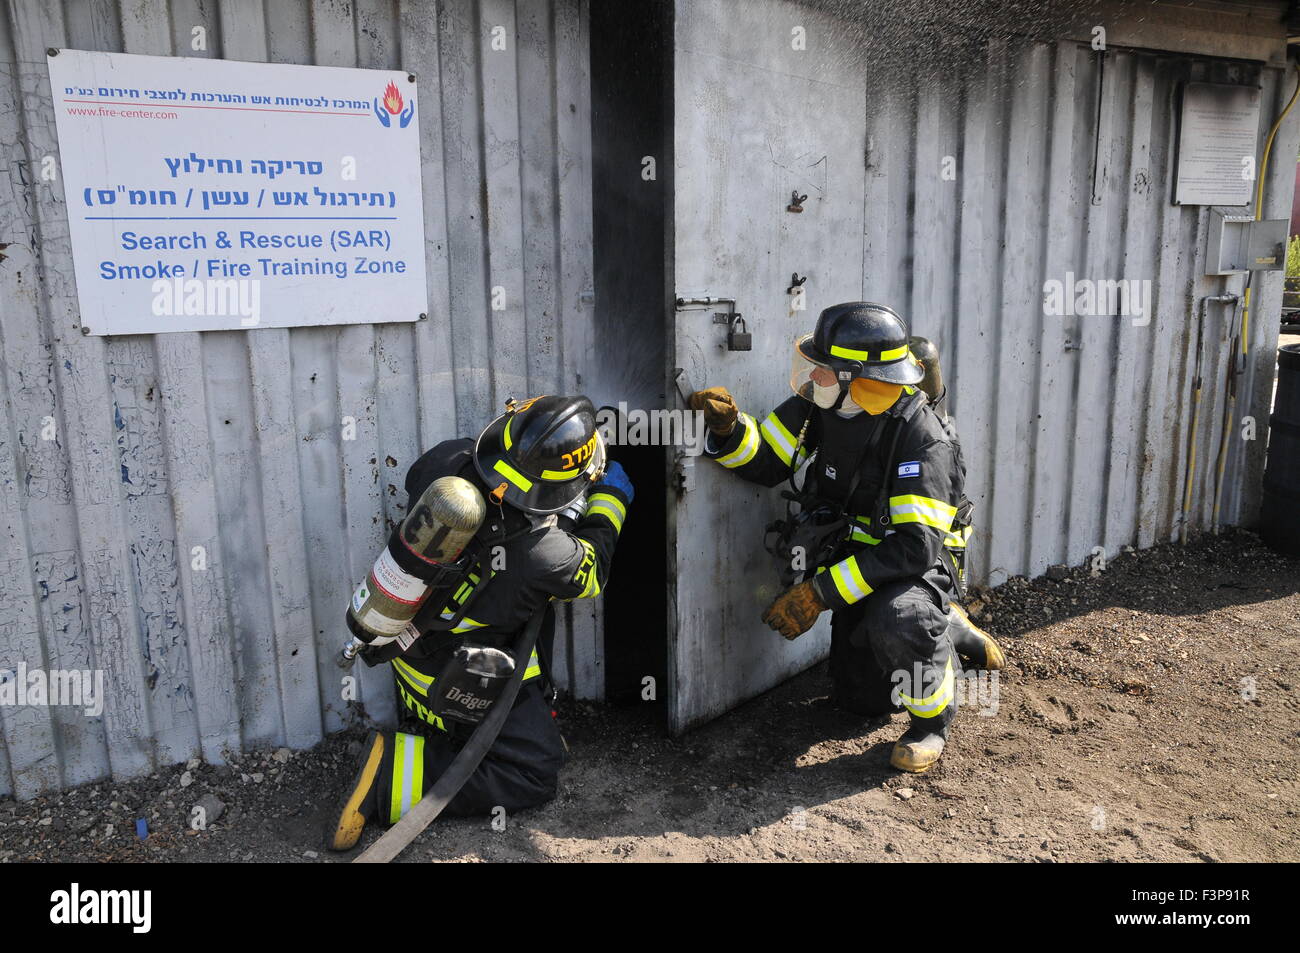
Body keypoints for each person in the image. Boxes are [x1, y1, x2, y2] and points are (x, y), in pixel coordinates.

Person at [691, 302, 1002, 773]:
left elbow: (913, 549)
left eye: (824, 369)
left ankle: (931, 721)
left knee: (900, 619)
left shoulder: (922, 440)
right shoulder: (825, 402)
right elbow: (770, 461)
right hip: (854, 559)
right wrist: (728, 430)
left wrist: (818, 593)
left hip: (913, 567)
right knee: (860, 705)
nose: (813, 376)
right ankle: (949, 623)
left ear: (859, 378)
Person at [328, 394, 633, 850]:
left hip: (402, 655)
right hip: (455, 685)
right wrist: (609, 501)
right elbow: (591, 573)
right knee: (535, 770)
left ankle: (494, 728)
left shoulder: (444, 462)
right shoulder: (546, 556)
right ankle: (390, 773)